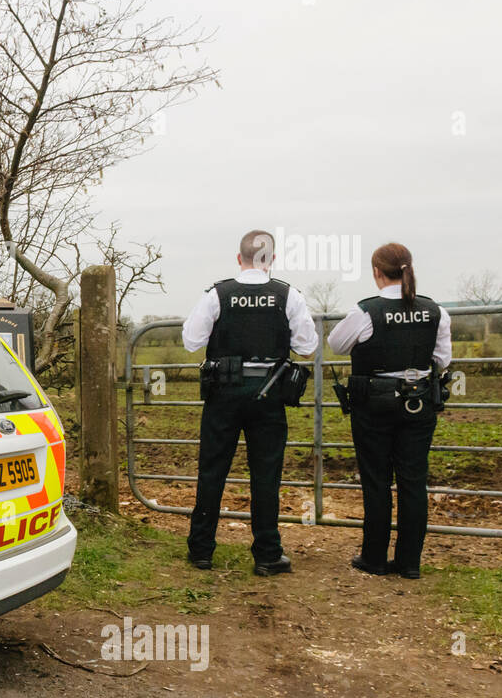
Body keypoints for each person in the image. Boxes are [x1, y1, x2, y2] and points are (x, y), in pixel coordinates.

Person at [181, 229, 318, 575]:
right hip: (269, 394)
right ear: (272, 260)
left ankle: (201, 550)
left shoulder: (218, 294)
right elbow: (306, 346)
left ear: (239, 259)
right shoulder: (288, 295)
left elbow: (191, 340)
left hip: (223, 393)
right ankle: (268, 554)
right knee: (266, 474)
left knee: (212, 470)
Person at [327, 243, 451, 579]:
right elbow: (442, 360)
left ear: (377, 273)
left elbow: (335, 345)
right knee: (413, 482)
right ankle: (410, 562)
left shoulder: (365, 312)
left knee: (376, 480)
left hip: (374, 405)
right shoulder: (436, 311)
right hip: (419, 403)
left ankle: (374, 558)